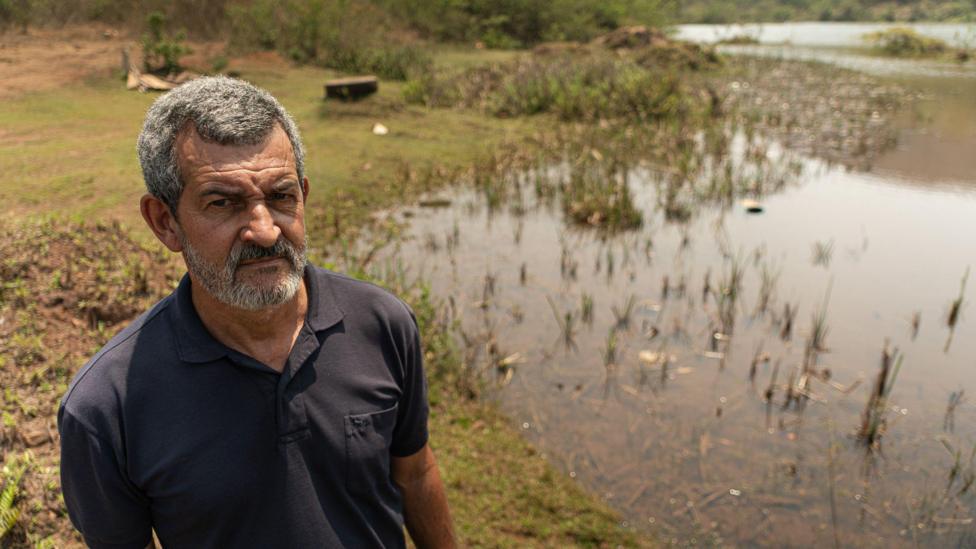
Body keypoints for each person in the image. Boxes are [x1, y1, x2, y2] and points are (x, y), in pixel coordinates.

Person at [58, 76, 456, 549]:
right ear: (165, 223)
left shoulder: (382, 322)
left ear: (303, 195)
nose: (265, 231)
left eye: (281, 196)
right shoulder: (105, 407)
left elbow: (414, 472)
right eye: (223, 203)